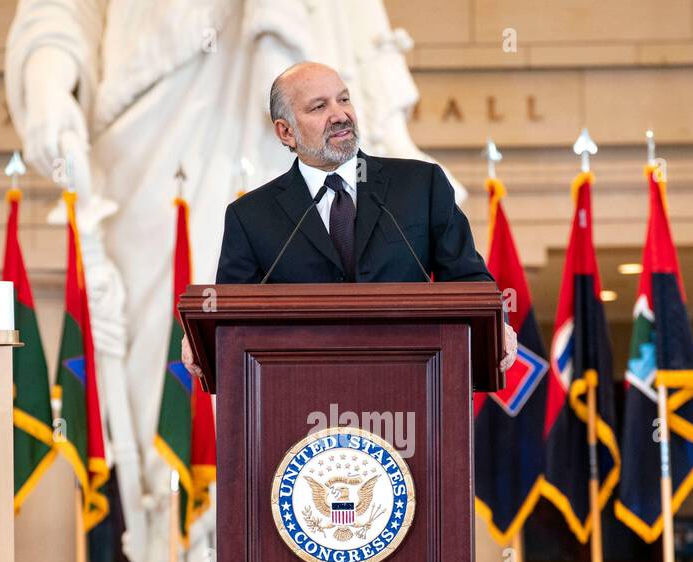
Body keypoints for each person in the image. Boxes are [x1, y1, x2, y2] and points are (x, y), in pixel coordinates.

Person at [183, 61, 516, 376]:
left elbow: (469, 281)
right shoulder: (251, 216)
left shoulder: (420, 185)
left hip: (412, 383)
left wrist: (495, 322)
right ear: (286, 132)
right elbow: (232, 312)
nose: (340, 114)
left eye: (343, 100)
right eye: (319, 107)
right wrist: (207, 335)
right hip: (299, 399)